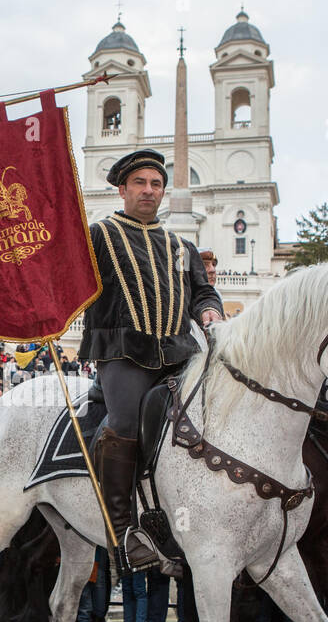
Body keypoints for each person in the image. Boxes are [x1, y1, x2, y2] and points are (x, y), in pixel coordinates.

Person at [78, 149, 224, 576]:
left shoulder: (182, 246)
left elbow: (203, 294)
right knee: (124, 423)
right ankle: (122, 534)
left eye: (155, 184)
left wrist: (210, 314)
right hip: (121, 351)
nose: (148, 190)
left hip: (179, 351)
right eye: (140, 183)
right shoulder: (99, 236)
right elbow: (67, 280)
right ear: (122, 189)